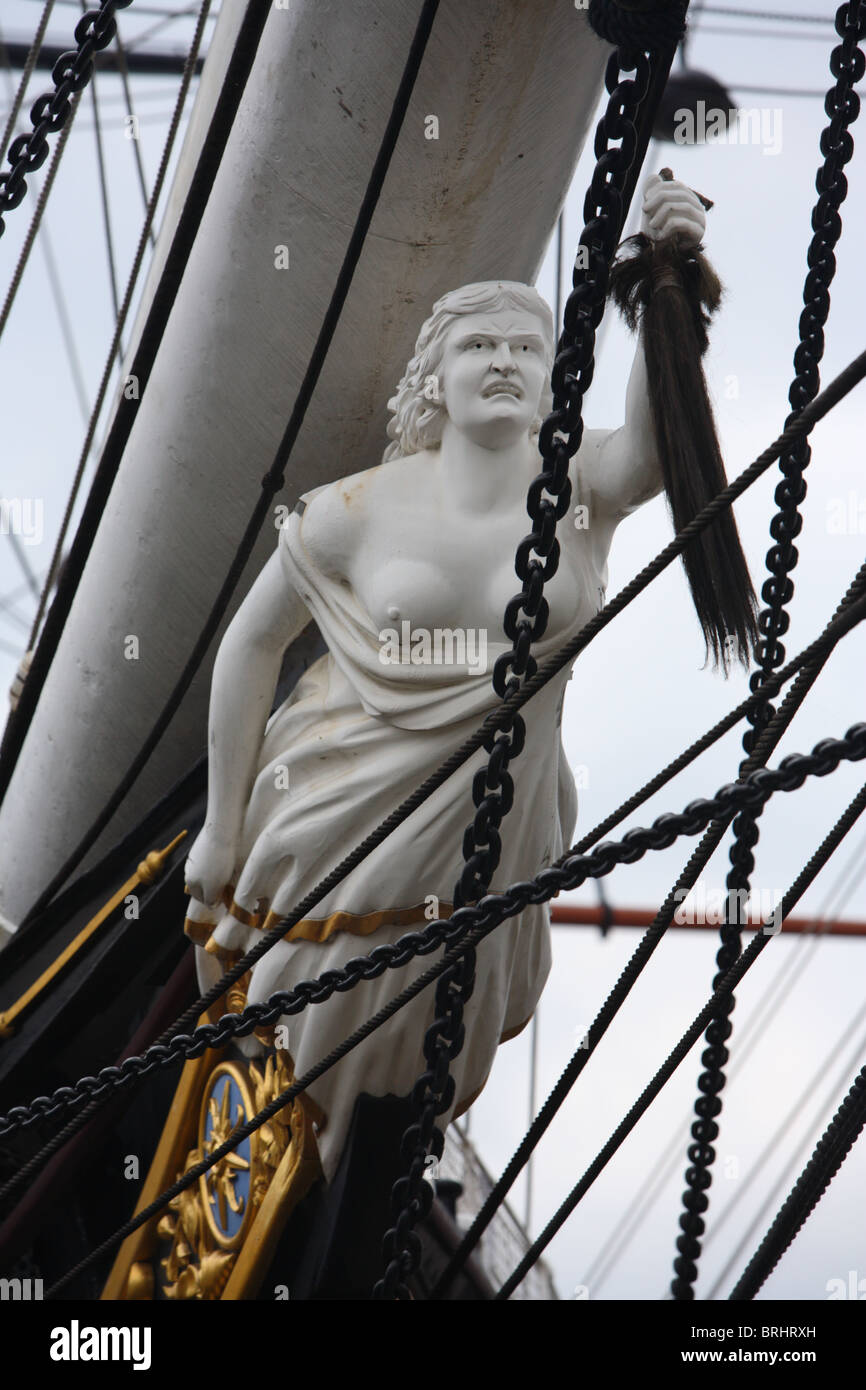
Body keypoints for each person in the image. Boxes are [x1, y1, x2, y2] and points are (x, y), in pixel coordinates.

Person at [184, 174, 708, 1187]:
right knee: (300, 1046)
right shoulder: (355, 509)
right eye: (478, 346)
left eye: (525, 348)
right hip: (332, 818)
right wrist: (219, 822)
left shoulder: (575, 490)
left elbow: (651, 454)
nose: (504, 363)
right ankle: (300, 1168)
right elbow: (250, 645)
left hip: (488, 835)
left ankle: (343, 1178)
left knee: (410, 1052)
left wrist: (661, 285)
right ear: (436, 371)